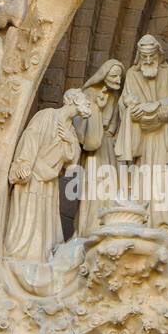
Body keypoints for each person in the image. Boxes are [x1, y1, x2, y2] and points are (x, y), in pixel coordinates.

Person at [5, 88, 91, 260]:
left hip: (49, 182)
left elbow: (72, 166)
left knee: (44, 225)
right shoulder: (46, 116)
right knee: (27, 222)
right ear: (73, 99)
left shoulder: (71, 131)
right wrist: (24, 163)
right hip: (32, 178)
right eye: (84, 99)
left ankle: (39, 258)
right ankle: (19, 255)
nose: (88, 102)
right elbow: (31, 138)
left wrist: (69, 140)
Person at [115, 35, 168, 236]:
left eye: (151, 56)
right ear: (139, 56)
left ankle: (166, 225)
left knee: (163, 179)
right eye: (144, 57)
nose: (147, 61)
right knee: (141, 178)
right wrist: (130, 107)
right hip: (142, 140)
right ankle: (140, 220)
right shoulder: (132, 74)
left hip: (164, 137)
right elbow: (124, 104)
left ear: (159, 54)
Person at [73, 59, 124, 235]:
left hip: (111, 147)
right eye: (113, 75)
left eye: (119, 76)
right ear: (104, 75)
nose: (117, 79)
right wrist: (97, 108)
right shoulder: (90, 92)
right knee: (95, 185)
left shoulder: (117, 96)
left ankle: (108, 223)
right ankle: (91, 225)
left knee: (111, 187)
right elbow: (79, 121)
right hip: (96, 148)